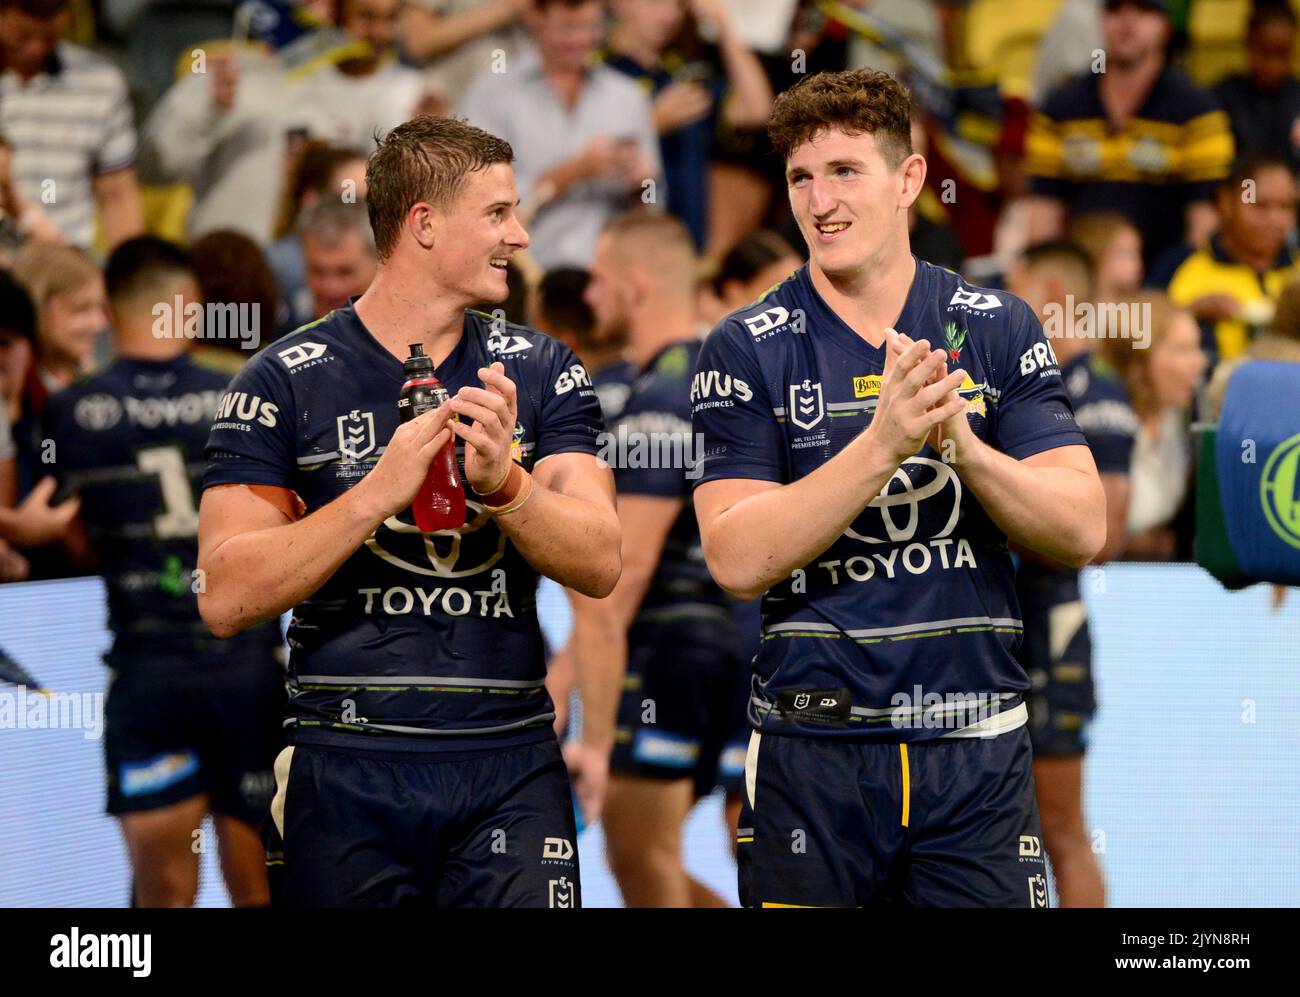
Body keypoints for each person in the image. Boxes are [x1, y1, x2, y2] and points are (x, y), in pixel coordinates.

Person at [691, 69, 1106, 908]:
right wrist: (882, 443)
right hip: (814, 757)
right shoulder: (746, 345)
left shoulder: (997, 326)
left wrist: (967, 452)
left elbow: (1082, 526)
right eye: (802, 177)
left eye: (846, 171)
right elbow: (735, 556)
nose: (820, 200)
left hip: (977, 756)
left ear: (909, 179)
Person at [197, 115, 620, 908]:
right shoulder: (281, 379)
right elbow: (223, 594)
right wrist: (374, 494)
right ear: (424, 224)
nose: (521, 235)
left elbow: (601, 559)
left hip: (510, 761)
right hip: (345, 762)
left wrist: (506, 488)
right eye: (497, 213)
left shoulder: (543, 368)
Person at [41, 237, 288, 906]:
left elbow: (73, 544)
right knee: (264, 895)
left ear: (115, 309)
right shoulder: (244, 396)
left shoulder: (70, 414)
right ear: (188, 306)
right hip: (250, 674)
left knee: (162, 901)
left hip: (150, 677)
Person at [571, 212, 744, 907]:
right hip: (728, 647)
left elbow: (626, 570)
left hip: (669, 655)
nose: (589, 296)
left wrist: (578, 703)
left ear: (635, 287)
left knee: (641, 855)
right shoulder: (711, 372)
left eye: (600, 279)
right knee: (654, 861)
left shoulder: (663, 392)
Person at [1006, 239, 1136, 908]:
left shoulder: (1096, 388)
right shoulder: (1015, 383)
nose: (997, 305)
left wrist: (1007, 517)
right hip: (992, 628)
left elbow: (1104, 533)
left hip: (1052, 627)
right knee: (996, 838)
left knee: (1060, 829)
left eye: (1015, 288)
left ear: (1051, 295)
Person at [1025, 0, 1234, 267]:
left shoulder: (1197, 110)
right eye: (1115, 9)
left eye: (1143, 10)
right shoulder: (1061, 107)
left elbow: (1204, 224)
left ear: (1166, 25)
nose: (1127, 23)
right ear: (1101, 20)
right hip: (1081, 280)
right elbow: (1044, 218)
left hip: (1166, 279)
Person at [458, 0, 662, 269]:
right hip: (520, 273)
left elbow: (655, 213)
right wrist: (576, 170)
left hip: (609, 281)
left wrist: (641, 186)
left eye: (592, 26)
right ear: (534, 17)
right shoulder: (492, 93)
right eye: (567, 27)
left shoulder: (628, 97)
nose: (581, 39)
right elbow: (477, 201)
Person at [602, 0, 773, 250]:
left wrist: (724, 26)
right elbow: (583, 152)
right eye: (656, 3)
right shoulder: (596, 72)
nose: (670, 15)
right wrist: (651, 125)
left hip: (687, 244)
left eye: (679, 5)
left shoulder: (685, 75)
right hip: (621, 243)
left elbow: (756, 110)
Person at [0, 0, 144, 250]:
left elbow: (118, 194)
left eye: (47, 37)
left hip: (68, 270)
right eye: (23, 36)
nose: (35, 47)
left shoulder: (100, 82)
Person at [1159, 156, 1300, 366]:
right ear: (1226, 202)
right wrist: (1191, 312)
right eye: (1260, 206)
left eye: (1285, 207)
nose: (1275, 220)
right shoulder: (1181, 266)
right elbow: (1143, 341)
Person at [1099, 292, 1206, 560]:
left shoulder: (1176, 418)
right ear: (1138, 361)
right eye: (1182, 350)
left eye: (1197, 347)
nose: (1199, 362)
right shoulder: (1101, 425)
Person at [1214, 0, 1300, 173]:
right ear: (1247, 43)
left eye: (1281, 53)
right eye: (1264, 52)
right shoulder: (1224, 97)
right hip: (1244, 192)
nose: (1272, 65)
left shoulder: (1297, 97)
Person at [293, 199, 379, 330]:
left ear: (379, 262)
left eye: (345, 272)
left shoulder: (410, 338)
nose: (331, 289)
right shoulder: (285, 330)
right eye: (318, 271)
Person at [1067, 211, 1144, 304]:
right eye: (1121, 253)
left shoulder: (1148, 308)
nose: (1135, 263)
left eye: (1136, 252)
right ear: (1094, 254)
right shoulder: (1067, 308)